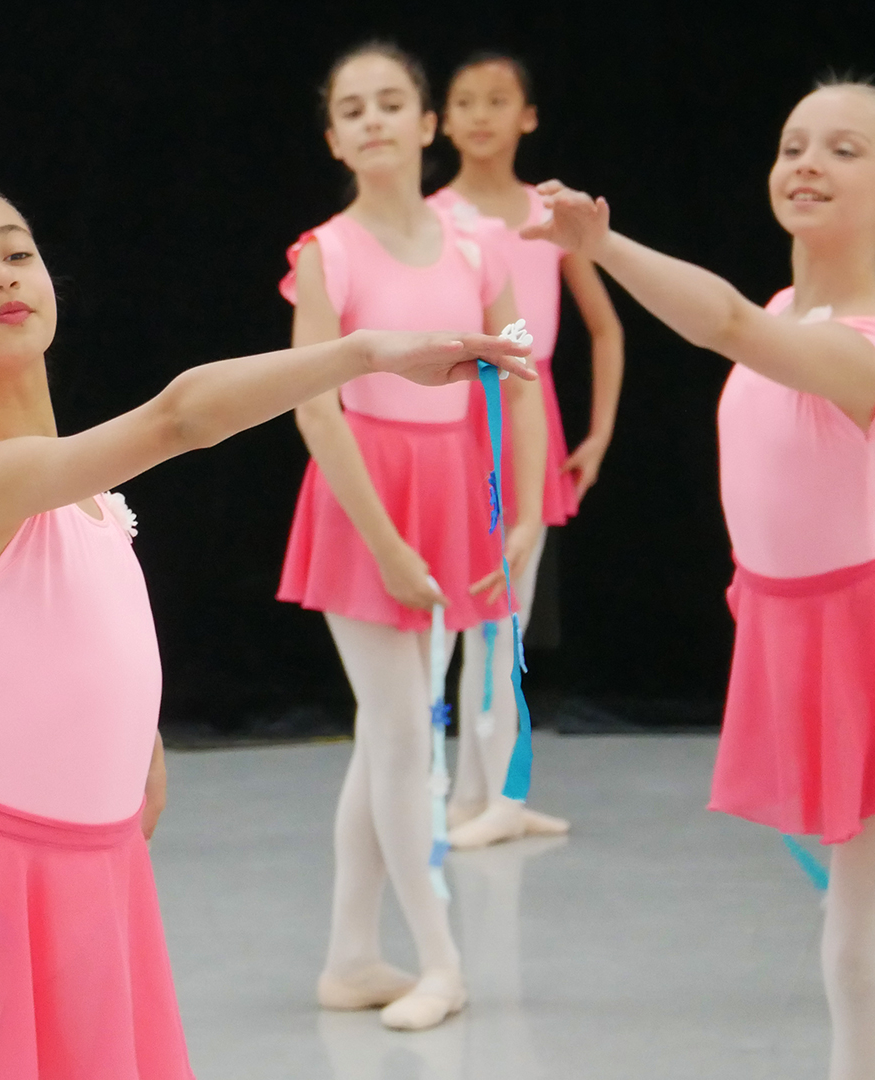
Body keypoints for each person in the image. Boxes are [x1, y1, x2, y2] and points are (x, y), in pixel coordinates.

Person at [0, 182, 535, 1078]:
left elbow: (69, 639)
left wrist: (136, 738)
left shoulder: (79, 493)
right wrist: (363, 353)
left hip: (91, 866)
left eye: (15, 251)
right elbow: (181, 416)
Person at [526, 80, 875, 1080]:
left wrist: (601, 244)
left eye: (847, 151)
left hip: (864, 640)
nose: (809, 161)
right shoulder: (790, 306)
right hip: (794, 622)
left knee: (858, 933)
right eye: (794, 142)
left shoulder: (864, 351)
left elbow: (725, 325)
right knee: (855, 920)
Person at [279, 42, 547, 1031]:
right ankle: (442, 959)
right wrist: (388, 543)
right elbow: (315, 410)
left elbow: (518, 380)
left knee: (382, 735)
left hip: (451, 486)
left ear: (427, 125)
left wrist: (521, 512)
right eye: (355, 109)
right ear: (335, 138)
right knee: (401, 736)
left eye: (393, 102)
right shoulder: (327, 253)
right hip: (365, 499)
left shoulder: (478, 247)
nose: (376, 119)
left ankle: (351, 956)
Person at [430, 51, 626, 848]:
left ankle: (501, 794)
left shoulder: (549, 214)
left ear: (528, 116)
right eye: (465, 100)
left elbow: (604, 325)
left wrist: (601, 430)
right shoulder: (433, 214)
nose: (481, 115)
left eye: (499, 99)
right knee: (463, 609)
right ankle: (468, 793)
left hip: (526, 412)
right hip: (456, 410)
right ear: (441, 120)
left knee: (505, 610)